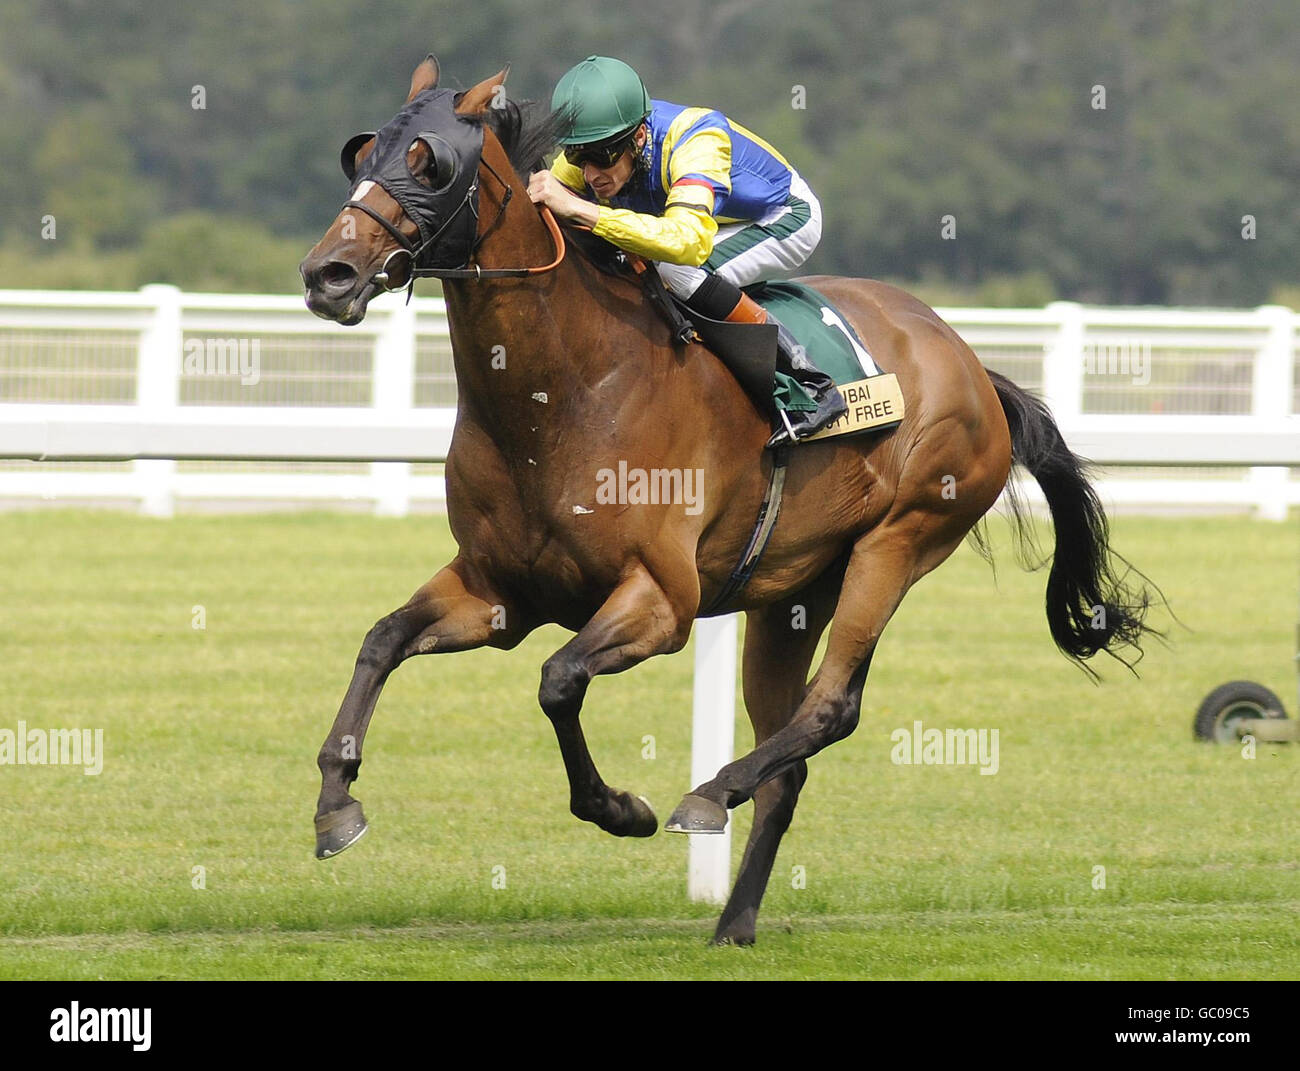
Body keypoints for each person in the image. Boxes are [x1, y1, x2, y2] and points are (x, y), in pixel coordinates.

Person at [527, 55, 846, 448]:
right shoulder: (601, 144)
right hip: (710, 226)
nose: (591, 173)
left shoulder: (698, 140)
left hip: (784, 217)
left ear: (639, 137)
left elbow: (687, 244)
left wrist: (583, 209)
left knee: (673, 271)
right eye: (578, 156)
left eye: (604, 156)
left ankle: (808, 381)